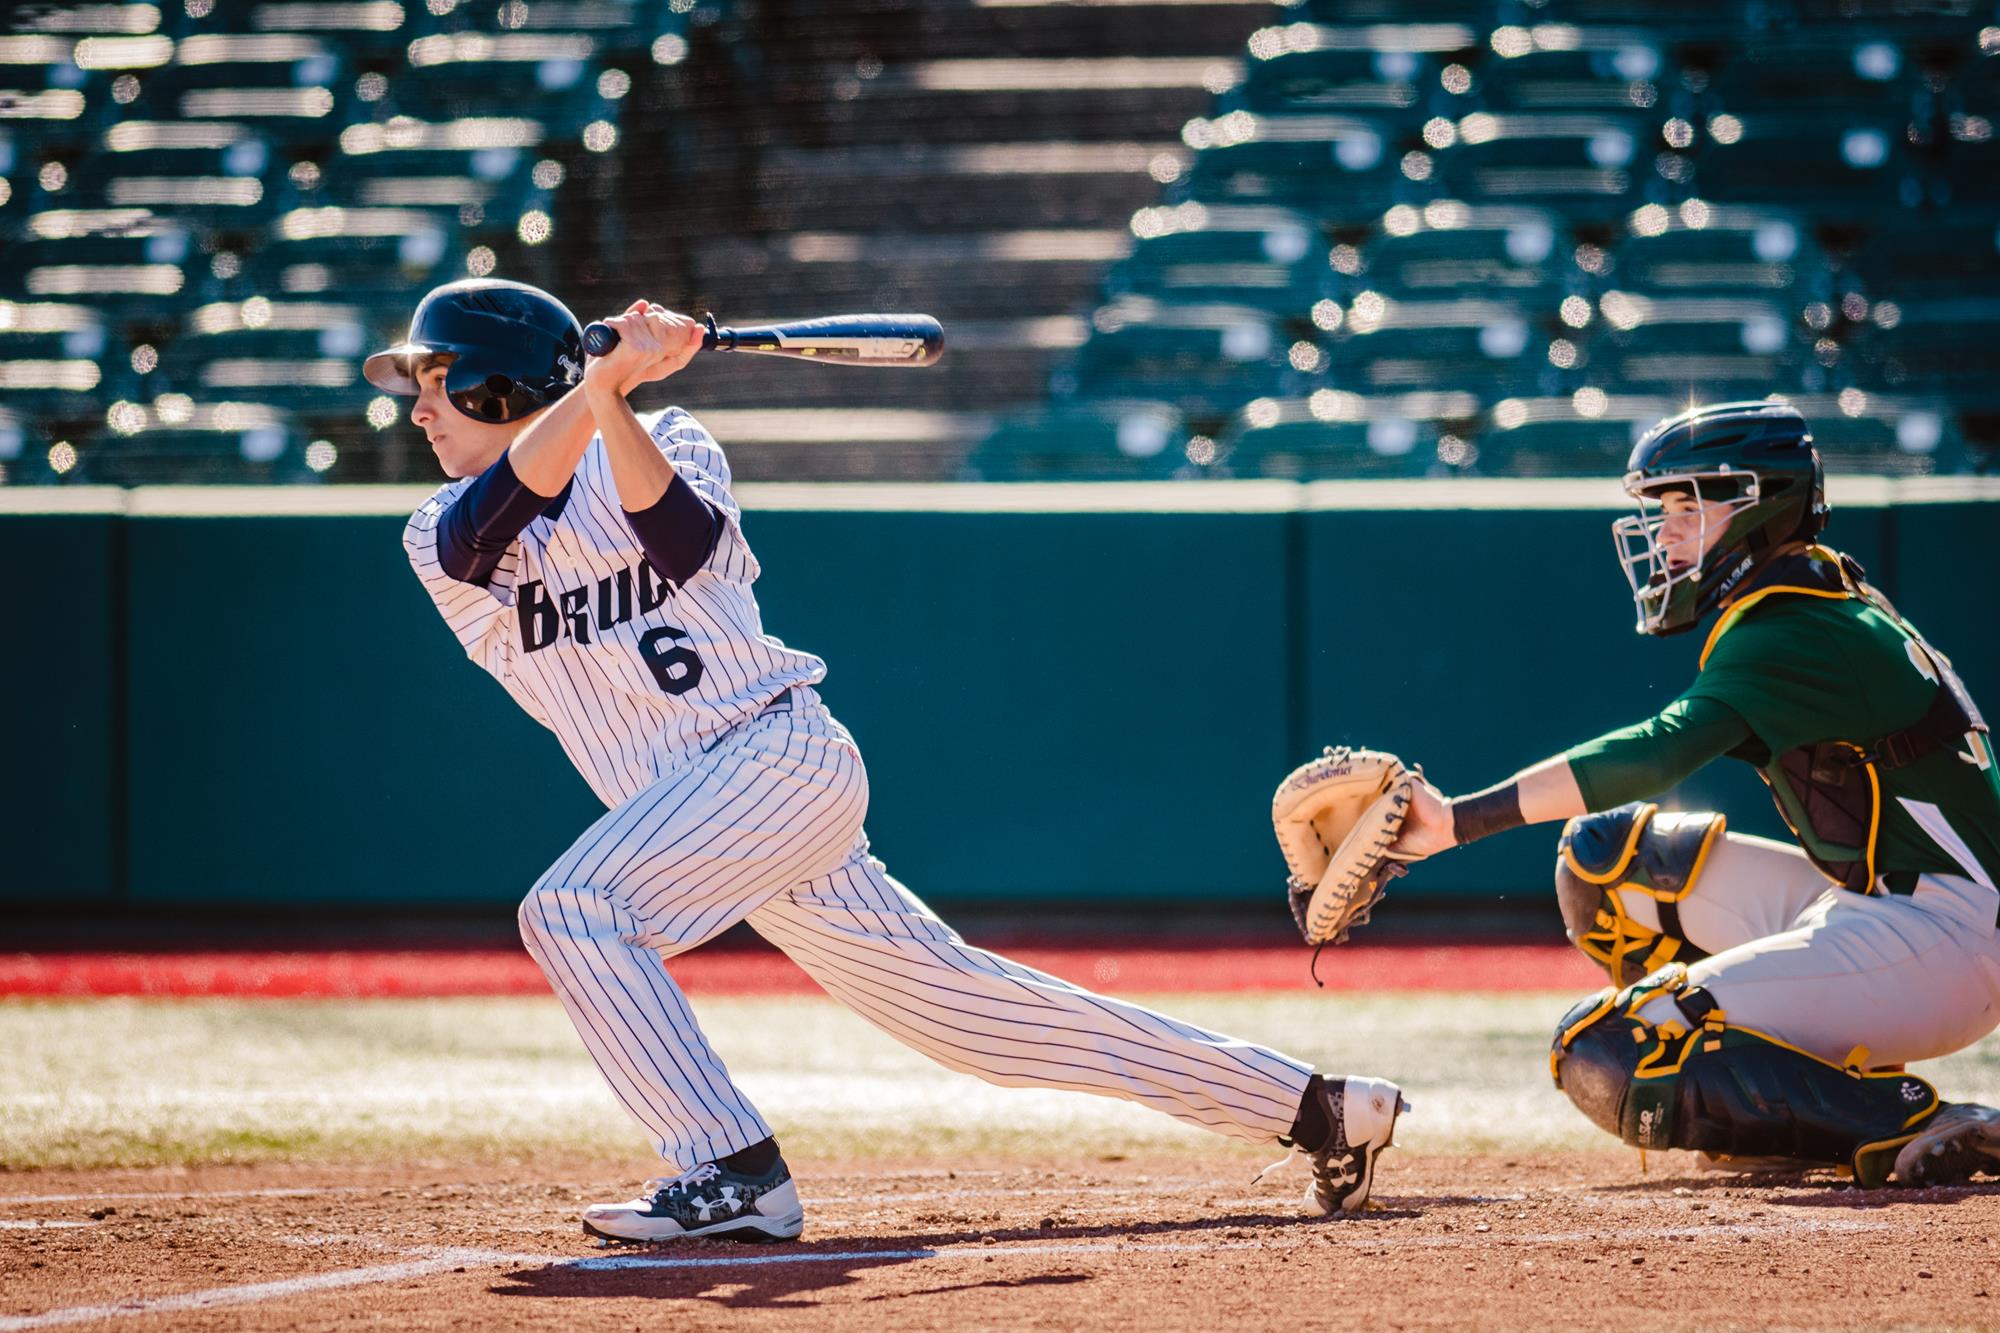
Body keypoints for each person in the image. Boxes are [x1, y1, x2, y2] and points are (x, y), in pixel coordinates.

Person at [362, 277, 1407, 1242]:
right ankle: (1319, 1110)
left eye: (440, 379)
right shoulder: (431, 534)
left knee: (571, 909)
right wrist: (601, 380)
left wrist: (612, 392)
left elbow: (677, 545)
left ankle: (732, 1168)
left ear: (505, 379)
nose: (417, 406)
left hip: (775, 760)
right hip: (702, 818)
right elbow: (481, 533)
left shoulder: (668, 434)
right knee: (972, 1020)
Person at [1387, 399, 2000, 1186]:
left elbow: (1650, 755)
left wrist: (1455, 822)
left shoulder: (1792, 627)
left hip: (1943, 938)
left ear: (1756, 505)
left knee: (1610, 1045)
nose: (1666, 530)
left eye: (1686, 505)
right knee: (1609, 861)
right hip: (1894, 901)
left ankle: (1908, 1117)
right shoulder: (1811, 600)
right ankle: (1779, 1114)